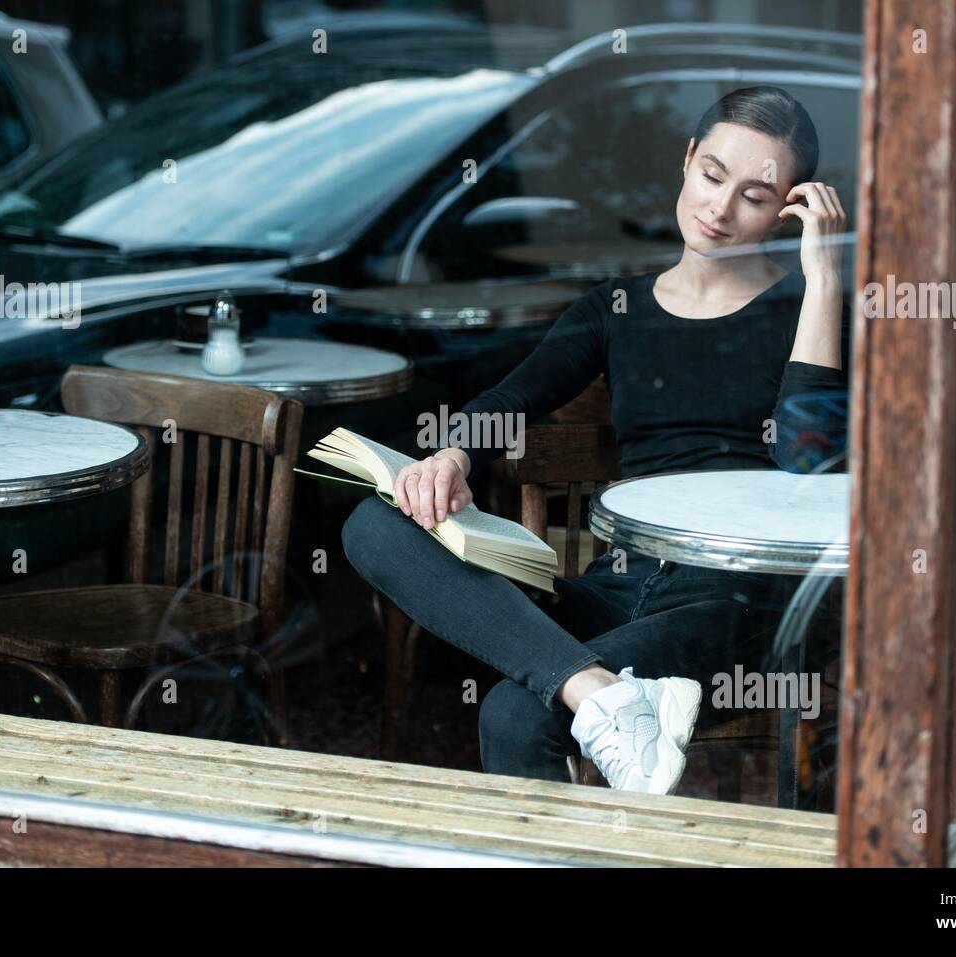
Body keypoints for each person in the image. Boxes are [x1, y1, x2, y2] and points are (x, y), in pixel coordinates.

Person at [342, 86, 849, 795]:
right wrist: (452, 456)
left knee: (519, 712)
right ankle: (607, 697)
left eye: (756, 195)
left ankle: (595, 701)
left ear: (790, 206)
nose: (721, 208)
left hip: (734, 601)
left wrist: (823, 276)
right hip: (622, 582)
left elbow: (806, 462)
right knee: (374, 519)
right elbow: (515, 398)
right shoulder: (617, 307)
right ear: (687, 161)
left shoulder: (811, 312)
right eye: (712, 175)